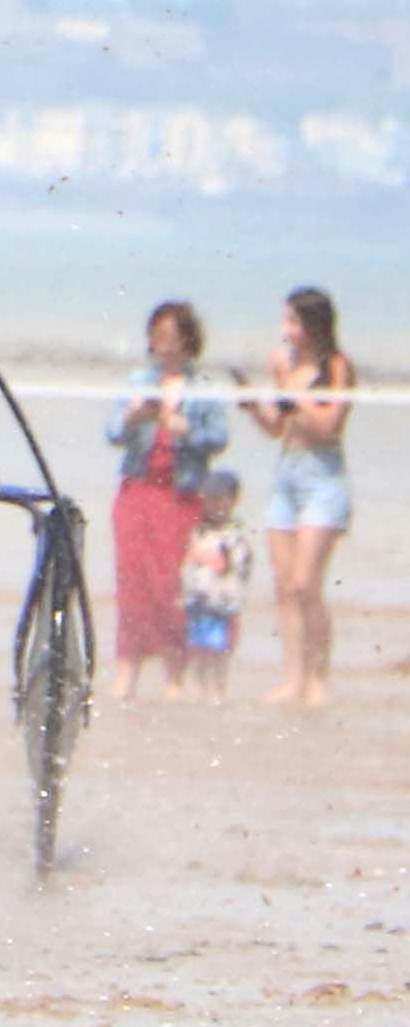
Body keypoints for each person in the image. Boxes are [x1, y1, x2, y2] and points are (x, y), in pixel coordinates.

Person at [101, 297, 226, 699]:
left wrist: (183, 426)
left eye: (171, 337)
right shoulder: (140, 381)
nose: (164, 345)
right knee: (132, 584)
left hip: (180, 492)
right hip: (138, 488)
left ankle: (174, 675)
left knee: (172, 585)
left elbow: (218, 439)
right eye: (157, 337)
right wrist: (133, 417)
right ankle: (127, 674)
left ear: (188, 339)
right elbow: (111, 433)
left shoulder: (203, 388)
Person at [253, 284, 353, 711]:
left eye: (292, 321)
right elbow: (278, 427)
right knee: (283, 584)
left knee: (305, 581)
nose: (285, 331)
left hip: (323, 476)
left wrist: (297, 396)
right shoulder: (284, 365)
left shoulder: (336, 366)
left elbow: (329, 425)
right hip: (287, 474)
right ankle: (292, 678)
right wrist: (258, 407)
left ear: (311, 325)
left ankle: (318, 679)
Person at [179, 470, 250, 700]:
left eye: (220, 498)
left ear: (233, 500)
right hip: (197, 601)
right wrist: (182, 592)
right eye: (209, 498)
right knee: (197, 647)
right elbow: (188, 563)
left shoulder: (236, 534)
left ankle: (219, 689)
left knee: (218, 649)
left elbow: (239, 568)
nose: (214, 505)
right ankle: (198, 688)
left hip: (222, 602)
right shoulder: (199, 531)